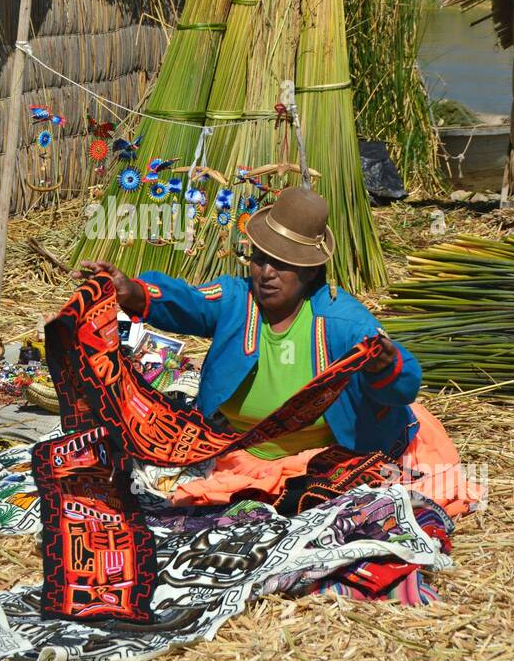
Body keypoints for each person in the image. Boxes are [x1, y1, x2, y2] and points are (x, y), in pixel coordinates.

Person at [82, 186, 476, 513]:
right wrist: (131, 291)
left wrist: (385, 366)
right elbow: (189, 301)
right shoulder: (237, 300)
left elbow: (403, 383)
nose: (266, 273)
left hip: (322, 457)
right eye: (260, 259)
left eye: (282, 264)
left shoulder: (343, 322)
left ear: (310, 271)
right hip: (235, 452)